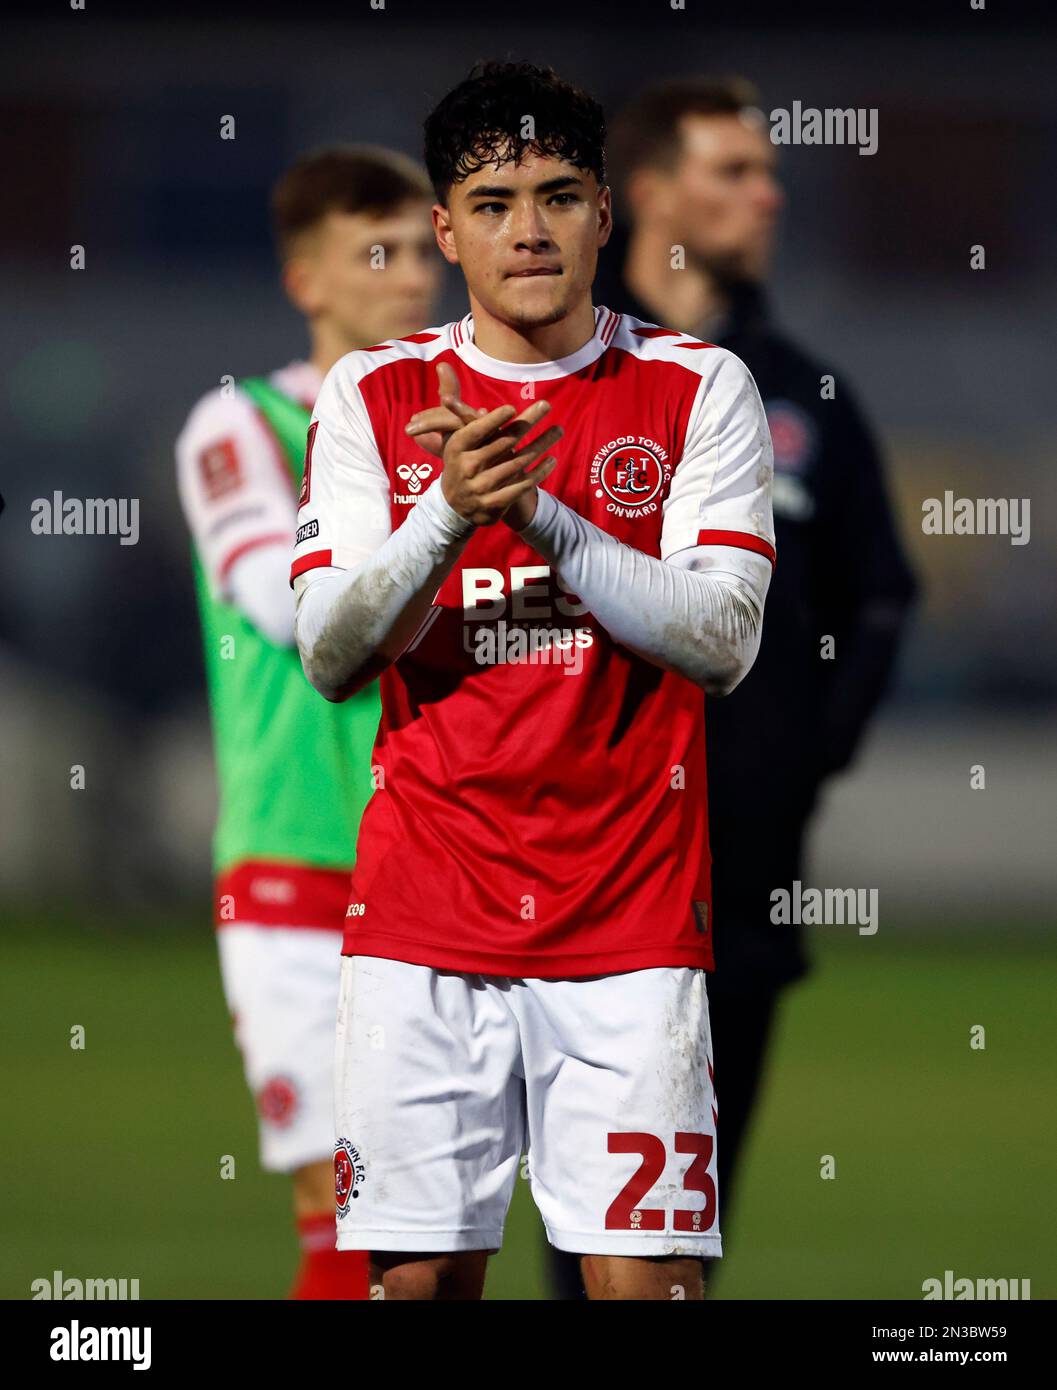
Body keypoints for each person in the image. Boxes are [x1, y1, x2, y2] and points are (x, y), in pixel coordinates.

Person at [292, 60, 775, 1301]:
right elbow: (332, 652)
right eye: (494, 201)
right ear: (445, 229)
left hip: (627, 922)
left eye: (559, 195)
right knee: (418, 1290)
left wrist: (547, 519)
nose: (529, 229)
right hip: (422, 917)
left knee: (645, 1291)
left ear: (606, 214)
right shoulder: (372, 394)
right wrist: (447, 515)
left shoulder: (695, 388)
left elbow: (721, 640)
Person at [569, 77, 918, 1296]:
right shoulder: (564, 372)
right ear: (654, 193)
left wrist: (800, 749)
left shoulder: (806, 399)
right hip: (570, 858)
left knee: (688, 1221)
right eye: (733, 170)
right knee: (583, 1219)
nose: (766, 192)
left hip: (742, 868)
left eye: (767, 171)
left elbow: (881, 595)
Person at [175, 144, 439, 1298]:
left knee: (433, 1220)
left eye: (426, 251)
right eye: (378, 253)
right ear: (306, 281)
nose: (413, 279)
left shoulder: (464, 428)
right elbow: (282, 608)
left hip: (443, 859)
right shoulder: (240, 429)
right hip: (296, 866)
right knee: (341, 1210)